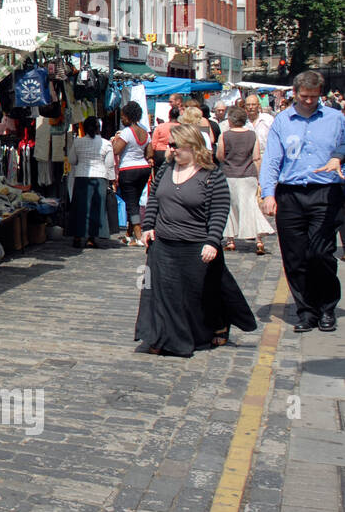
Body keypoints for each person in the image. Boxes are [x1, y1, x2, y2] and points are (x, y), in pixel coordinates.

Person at [135, 125, 256, 356]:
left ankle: (216, 325)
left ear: (192, 147)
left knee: (199, 297)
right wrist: (148, 226)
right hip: (164, 245)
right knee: (164, 296)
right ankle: (164, 339)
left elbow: (219, 211)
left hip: (196, 246)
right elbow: (155, 200)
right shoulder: (165, 170)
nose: (170, 150)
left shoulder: (211, 175)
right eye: (170, 146)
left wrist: (212, 241)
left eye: (175, 146)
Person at [259, 70, 345, 332]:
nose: (309, 101)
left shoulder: (335, 118)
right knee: (295, 256)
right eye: (304, 97)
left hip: (325, 192)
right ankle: (306, 310)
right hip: (291, 193)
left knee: (320, 253)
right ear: (295, 94)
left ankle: (326, 307)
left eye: (314, 97)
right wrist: (268, 193)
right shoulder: (283, 121)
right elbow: (272, 159)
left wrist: (338, 158)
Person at [217, 106, 272, 255]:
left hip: (230, 175)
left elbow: (220, 156)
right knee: (251, 206)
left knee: (230, 208)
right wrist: (259, 178)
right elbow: (256, 157)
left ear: (230, 120)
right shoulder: (252, 135)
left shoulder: (225, 135)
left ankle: (230, 241)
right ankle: (259, 240)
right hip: (249, 175)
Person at [69, 115, 115, 249]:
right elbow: (109, 164)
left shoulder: (78, 142)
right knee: (95, 208)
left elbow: (72, 160)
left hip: (81, 177)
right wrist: (111, 179)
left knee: (79, 208)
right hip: (99, 177)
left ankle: (77, 236)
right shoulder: (106, 143)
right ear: (98, 128)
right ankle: (91, 238)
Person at [112, 102, 154, 246]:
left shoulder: (126, 132)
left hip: (128, 170)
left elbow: (117, 150)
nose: (122, 119)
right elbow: (149, 153)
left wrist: (114, 142)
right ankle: (129, 233)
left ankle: (138, 234)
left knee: (131, 203)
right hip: (143, 169)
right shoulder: (145, 132)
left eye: (123, 116)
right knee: (135, 200)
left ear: (128, 117)